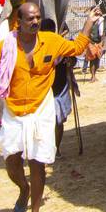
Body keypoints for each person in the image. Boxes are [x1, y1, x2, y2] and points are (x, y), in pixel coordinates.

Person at [0, 2, 96, 212]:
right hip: (14, 110)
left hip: (41, 108)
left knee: (38, 162)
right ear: (18, 22)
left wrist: (89, 22)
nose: (35, 21)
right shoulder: (3, 47)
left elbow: (77, 47)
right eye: (30, 18)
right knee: (12, 161)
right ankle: (23, 189)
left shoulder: (51, 41)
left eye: (38, 17)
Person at [41, 18, 80, 156]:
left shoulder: (61, 45)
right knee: (48, 122)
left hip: (59, 89)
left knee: (58, 121)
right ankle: (49, 148)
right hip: (44, 91)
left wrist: (70, 60)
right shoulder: (37, 47)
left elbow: (74, 57)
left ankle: (56, 148)